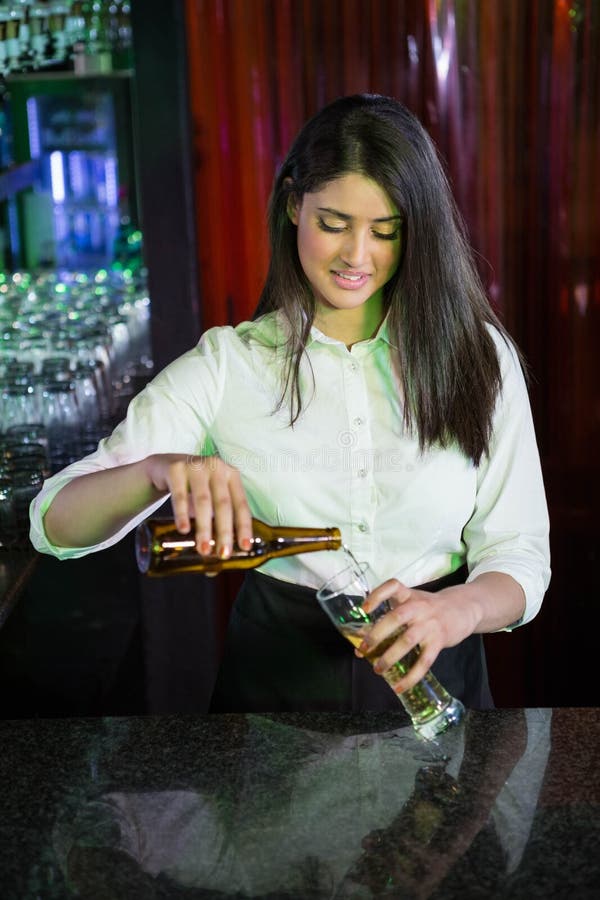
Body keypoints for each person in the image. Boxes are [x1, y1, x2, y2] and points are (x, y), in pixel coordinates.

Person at [29, 94, 550, 714]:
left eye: (385, 231)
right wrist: (155, 470)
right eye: (334, 223)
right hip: (273, 701)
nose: (357, 255)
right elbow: (54, 524)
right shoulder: (230, 365)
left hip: (440, 688)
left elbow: (519, 553)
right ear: (293, 204)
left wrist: (457, 609)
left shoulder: (478, 356)